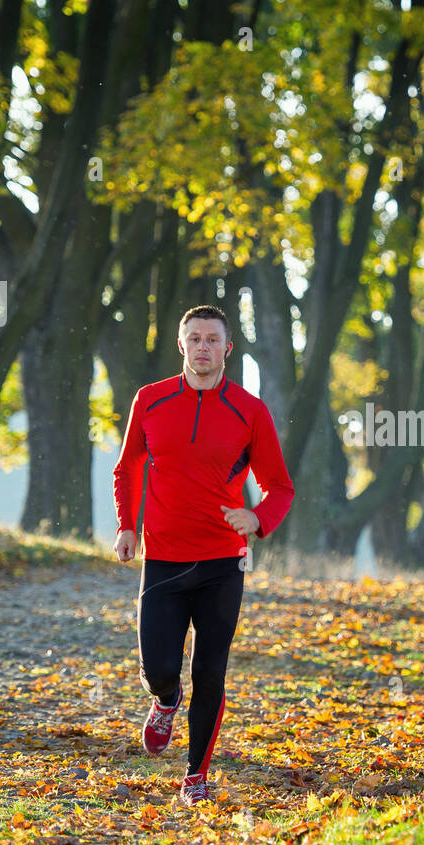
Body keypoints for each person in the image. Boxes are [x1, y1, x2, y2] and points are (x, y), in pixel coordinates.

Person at [111, 304, 294, 806]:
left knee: (210, 671)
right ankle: (165, 701)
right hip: (164, 557)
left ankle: (196, 774)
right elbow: (126, 468)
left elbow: (279, 486)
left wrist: (257, 520)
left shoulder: (249, 411)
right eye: (194, 338)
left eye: (213, 339)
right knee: (159, 668)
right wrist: (128, 526)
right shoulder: (150, 400)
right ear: (181, 344)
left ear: (227, 348)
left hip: (223, 561)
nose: (203, 347)